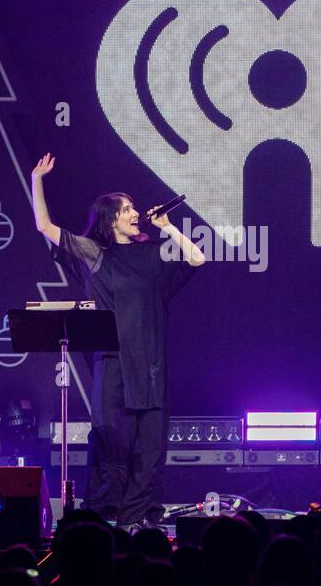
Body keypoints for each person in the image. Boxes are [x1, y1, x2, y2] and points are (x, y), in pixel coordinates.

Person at [30, 153, 206, 532]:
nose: (134, 212)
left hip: (151, 367)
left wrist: (168, 226)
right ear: (110, 219)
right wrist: (37, 180)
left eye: (133, 208)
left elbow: (197, 258)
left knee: (149, 452)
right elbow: (44, 225)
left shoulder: (151, 253)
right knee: (114, 445)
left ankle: (141, 521)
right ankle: (104, 523)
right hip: (114, 366)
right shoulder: (97, 255)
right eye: (126, 209)